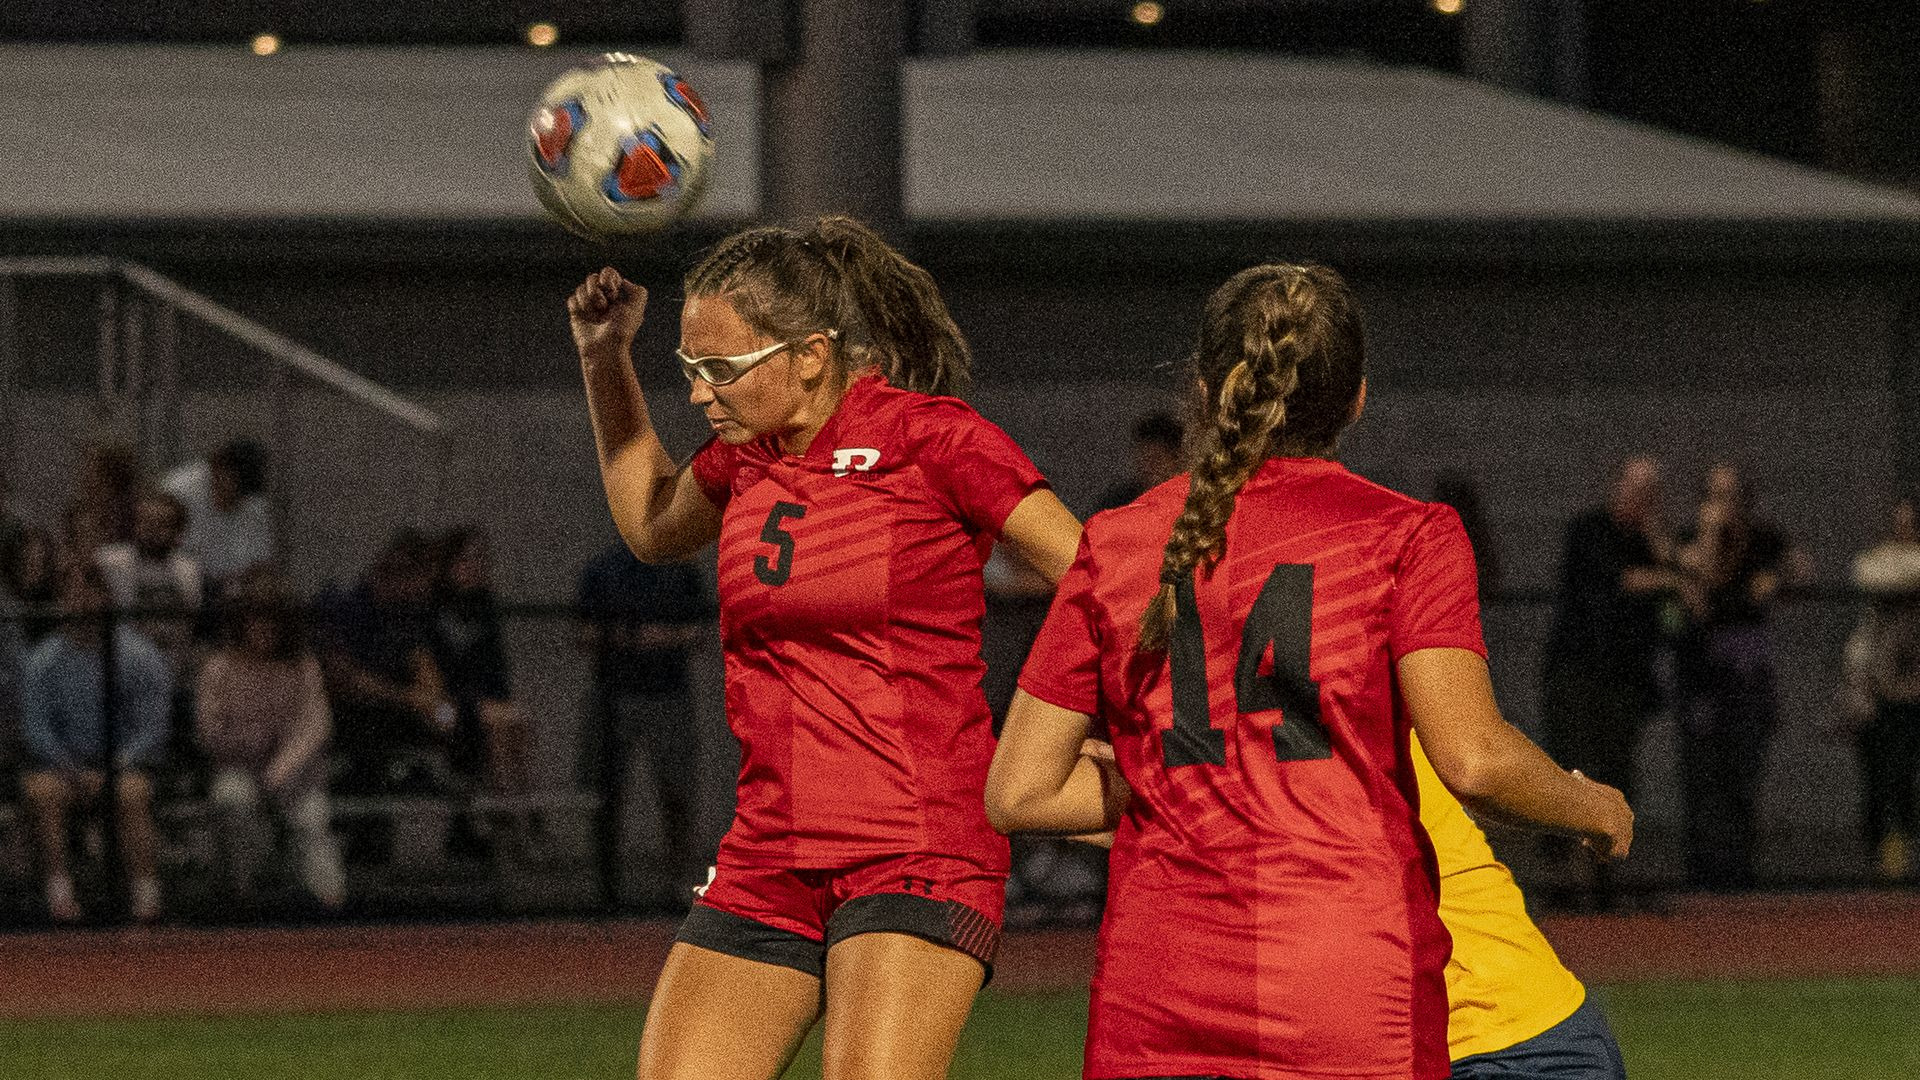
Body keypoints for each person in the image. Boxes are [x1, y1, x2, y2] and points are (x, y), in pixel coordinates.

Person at [985, 263, 1632, 1080]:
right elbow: (1474, 762)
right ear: (1357, 396)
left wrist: (1171, 782)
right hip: (1347, 967)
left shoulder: (1116, 541)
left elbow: (1018, 793)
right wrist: (1595, 809)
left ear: (1204, 387)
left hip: (1162, 977)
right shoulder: (1408, 535)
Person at [568, 214, 1082, 1080]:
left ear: (808, 355)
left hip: (917, 847)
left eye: (722, 370)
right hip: (771, 848)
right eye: (690, 369)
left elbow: (1098, 579)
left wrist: (1061, 737)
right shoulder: (746, 459)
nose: (699, 393)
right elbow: (652, 524)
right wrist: (604, 356)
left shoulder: (934, 438)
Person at [1538, 455, 1673, 909]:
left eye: (1650, 492)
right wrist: (1668, 575)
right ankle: (1577, 886)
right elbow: (1620, 580)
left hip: (1622, 681)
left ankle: (1608, 881)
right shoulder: (1590, 529)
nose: (1642, 500)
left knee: (1618, 778)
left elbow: (1683, 582)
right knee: (1578, 775)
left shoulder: (1649, 542)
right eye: (1635, 488)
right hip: (1577, 675)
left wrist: (1661, 549)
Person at [19, 561, 173, 923]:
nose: (81, 602)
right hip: (63, 767)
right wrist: (70, 769)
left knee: (131, 794)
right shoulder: (42, 661)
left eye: (90, 592)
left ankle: (147, 900)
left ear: (106, 598)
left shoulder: (139, 655)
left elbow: (153, 726)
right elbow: (36, 727)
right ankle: (60, 898)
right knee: (41, 792)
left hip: (124, 764)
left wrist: (115, 767)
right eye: (71, 594)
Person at [1673, 462, 1801, 891]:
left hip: (1748, 673)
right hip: (1703, 673)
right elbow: (1700, 578)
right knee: (1701, 773)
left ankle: (1739, 870)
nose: (1723, 504)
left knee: (1743, 771)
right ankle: (1703, 871)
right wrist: (1710, 533)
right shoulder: (1692, 538)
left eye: (1731, 495)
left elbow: (1801, 571)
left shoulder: (1763, 539)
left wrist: (1780, 577)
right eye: (1715, 494)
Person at [576, 539, 717, 912]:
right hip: (614, 696)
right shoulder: (604, 567)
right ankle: (605, 887)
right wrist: (624, 637)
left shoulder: (680, 570)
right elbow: (583, 631)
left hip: (668, 694)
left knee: (676, 789)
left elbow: (700, 629)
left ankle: (676, 883)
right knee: (606, 789)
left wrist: (660, 638)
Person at [195, 569, 345, 910]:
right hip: (238, 767)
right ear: (241, 622)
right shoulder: (218, 668)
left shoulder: (303, 665)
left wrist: (282, 766)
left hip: (295, 770)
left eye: (273, 620)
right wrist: (250, 744)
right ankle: (244, 900)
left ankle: (330, 907)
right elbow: (209, 731)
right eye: (255, 619)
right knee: (233, 800)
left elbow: (317, 725)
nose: (264, 628)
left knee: (313, 817)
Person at [314, 529, 455, 798]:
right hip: (345, 718)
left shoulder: (409, 617)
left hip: (395, 719)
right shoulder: (343, 604)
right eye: (419, 575)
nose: (426, 588)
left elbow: (429, 681)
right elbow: (344, 678)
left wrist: (443, 712)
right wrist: (409, 698)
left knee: (452, 718)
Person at [429, 526, 532, 857]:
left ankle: (518, 811)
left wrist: (492, 702)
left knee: (512, 721)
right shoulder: (433, 606)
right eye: (466, 559)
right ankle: (513, 816)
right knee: (496, 721)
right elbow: (433, 672)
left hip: (481, 704)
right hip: (439, 706)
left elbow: (497, 672)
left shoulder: (485, 606)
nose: (475, 567)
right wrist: (470, 702)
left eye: (481, 559)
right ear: (449, 564)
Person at [1841, 497, 1920, 882]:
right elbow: (1867, 574)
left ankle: (1902, 848)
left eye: (1912, 523)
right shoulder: (1879, 560)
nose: (1904, 528)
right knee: (1876, 776)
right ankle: (1877, 855)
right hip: (1876, 687)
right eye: (1899, 522)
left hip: (1912, 690)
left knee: (1904, 774)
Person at [163, 440, 276, 597]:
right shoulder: (179, 490)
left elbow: (260, 562)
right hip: (182, 585)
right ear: (217, 468)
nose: (238, 497)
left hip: (233, 593)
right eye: (235, 485)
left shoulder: (253, 504)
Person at [1093, 410, 1185, 512]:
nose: (1147, 467)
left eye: (1156, 460)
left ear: (1176, 460)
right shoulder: (1118, 502)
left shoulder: (1185, 503)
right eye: (1144, 459)